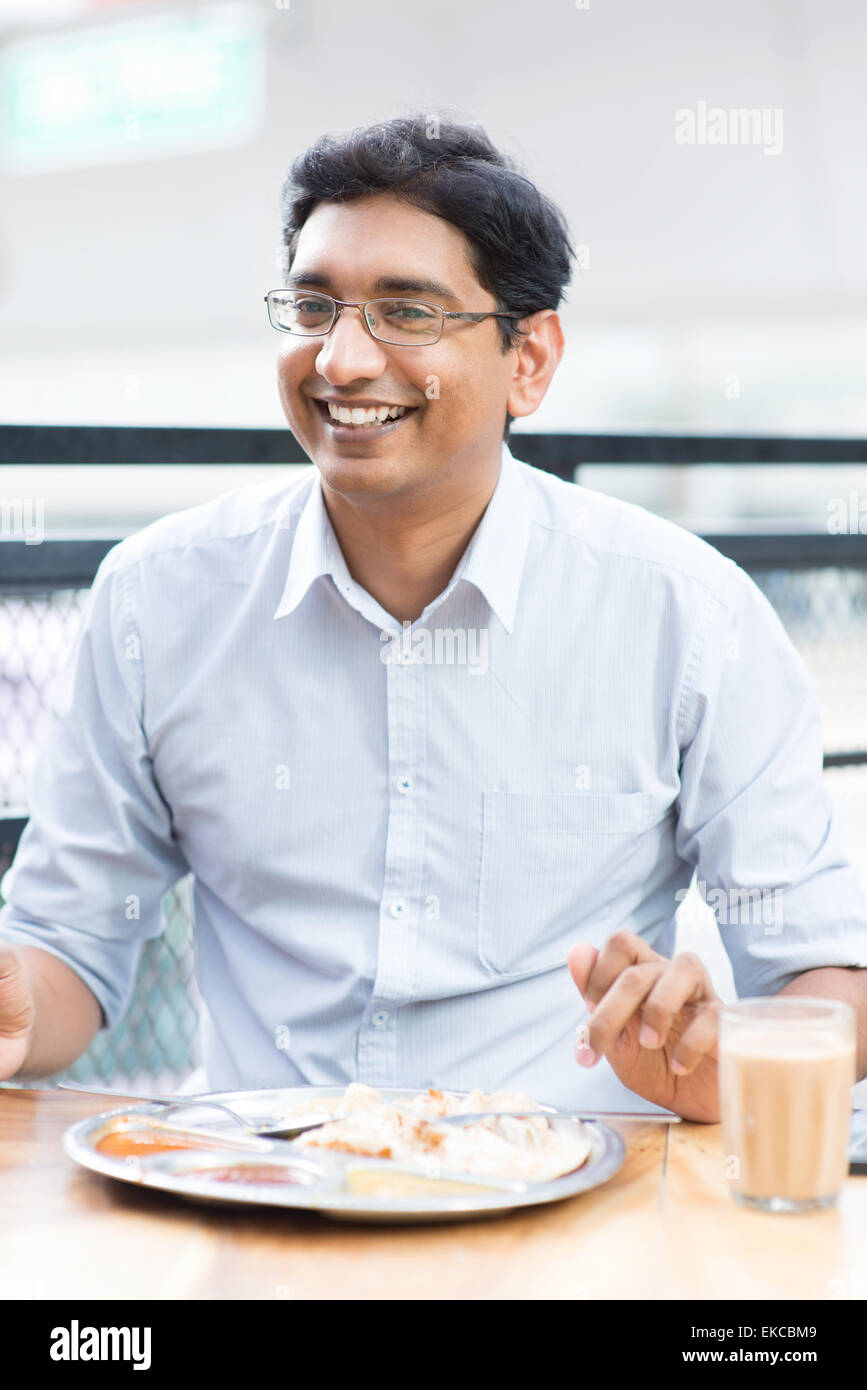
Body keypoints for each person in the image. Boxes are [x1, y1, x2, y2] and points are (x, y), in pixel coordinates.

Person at [1, 116, 865, 1122]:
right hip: (253, 1193)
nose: (343, 359)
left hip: (577, 1200)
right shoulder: (157, 597)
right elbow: (66, 956)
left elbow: (828, 981)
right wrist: (16, 1002)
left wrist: (728, 1060)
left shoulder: (688, 613)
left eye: (406, 312)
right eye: (314, 305)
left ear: (529, 360)